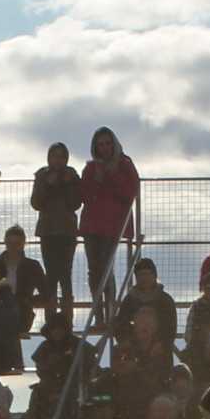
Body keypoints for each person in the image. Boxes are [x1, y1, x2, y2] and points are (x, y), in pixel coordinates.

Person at [78, 126, 139, 323]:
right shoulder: (91, 168)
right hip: (92, 226)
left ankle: (110, 311)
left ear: (114, 144)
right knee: (94, 270)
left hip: (112, 225)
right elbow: (84, 195)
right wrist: (96, 180)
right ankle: (98, 315)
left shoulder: (124, 164)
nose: (104, 148)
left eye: (107, 143)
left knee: (106, 268)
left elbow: (132, 191)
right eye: (100, 144)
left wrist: (112, 176)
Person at [30, 144, 83, 315]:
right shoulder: (42, 175)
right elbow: (36, 203)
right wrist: (47, 185)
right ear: (49, 158)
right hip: (48, 231)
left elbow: (76, 203)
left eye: (61, 156)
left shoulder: (72, 176)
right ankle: (50, 317)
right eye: (54, 156)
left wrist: (67, 185)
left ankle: (67, 317)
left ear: (66, 159)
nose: (57, 160)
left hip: (67, 231)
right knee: (51, 275)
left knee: (65, 274)